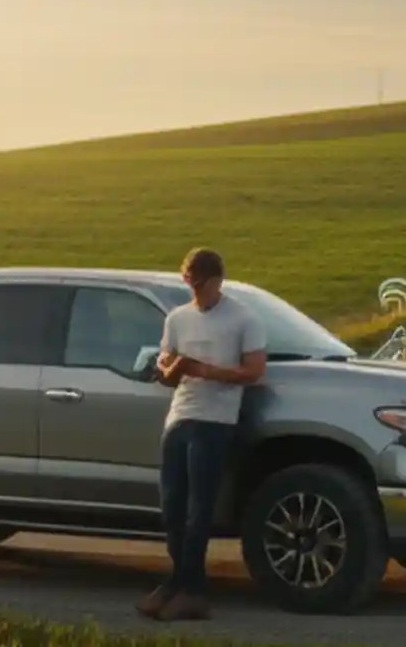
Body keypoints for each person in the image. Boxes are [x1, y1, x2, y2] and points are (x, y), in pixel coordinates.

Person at [136, 248, 266, 621]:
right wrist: (170, 367)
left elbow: (255, 370)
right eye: (188, 280)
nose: (193, 289)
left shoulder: (243, 318)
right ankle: (179, 582)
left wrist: (205, 370)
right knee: (172, 506)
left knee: (199, 509)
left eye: (199, 282)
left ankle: (192, 589)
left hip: (215, 419)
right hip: (180, 416)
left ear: (216, 280)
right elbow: (165, 360)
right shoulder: (178, 318)